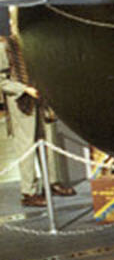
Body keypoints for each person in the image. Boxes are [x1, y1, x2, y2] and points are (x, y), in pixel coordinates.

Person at [1, 26, 73, 207]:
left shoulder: (35, 41)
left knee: (48, 141)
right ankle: (29, 192)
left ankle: (53, 182)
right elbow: (2, 81)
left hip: (41, 99)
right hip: (21, 102)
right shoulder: (5, 46)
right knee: (26, 146)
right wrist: (24, 89)